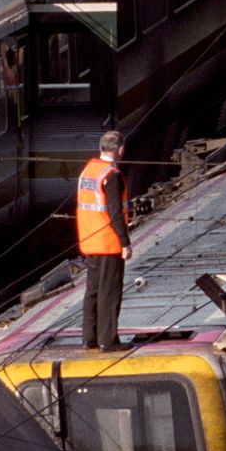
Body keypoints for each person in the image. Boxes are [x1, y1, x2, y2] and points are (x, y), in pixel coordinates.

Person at [76, 130, 132, 351]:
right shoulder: (112, 175)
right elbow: (115, 212)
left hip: (90, 240)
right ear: (121, 150)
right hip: (108, 242)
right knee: (109, 291)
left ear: (101, 147)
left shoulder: (88, 171)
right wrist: (125, 243)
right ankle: (108, 341)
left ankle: (89, 338)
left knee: (93, 291)